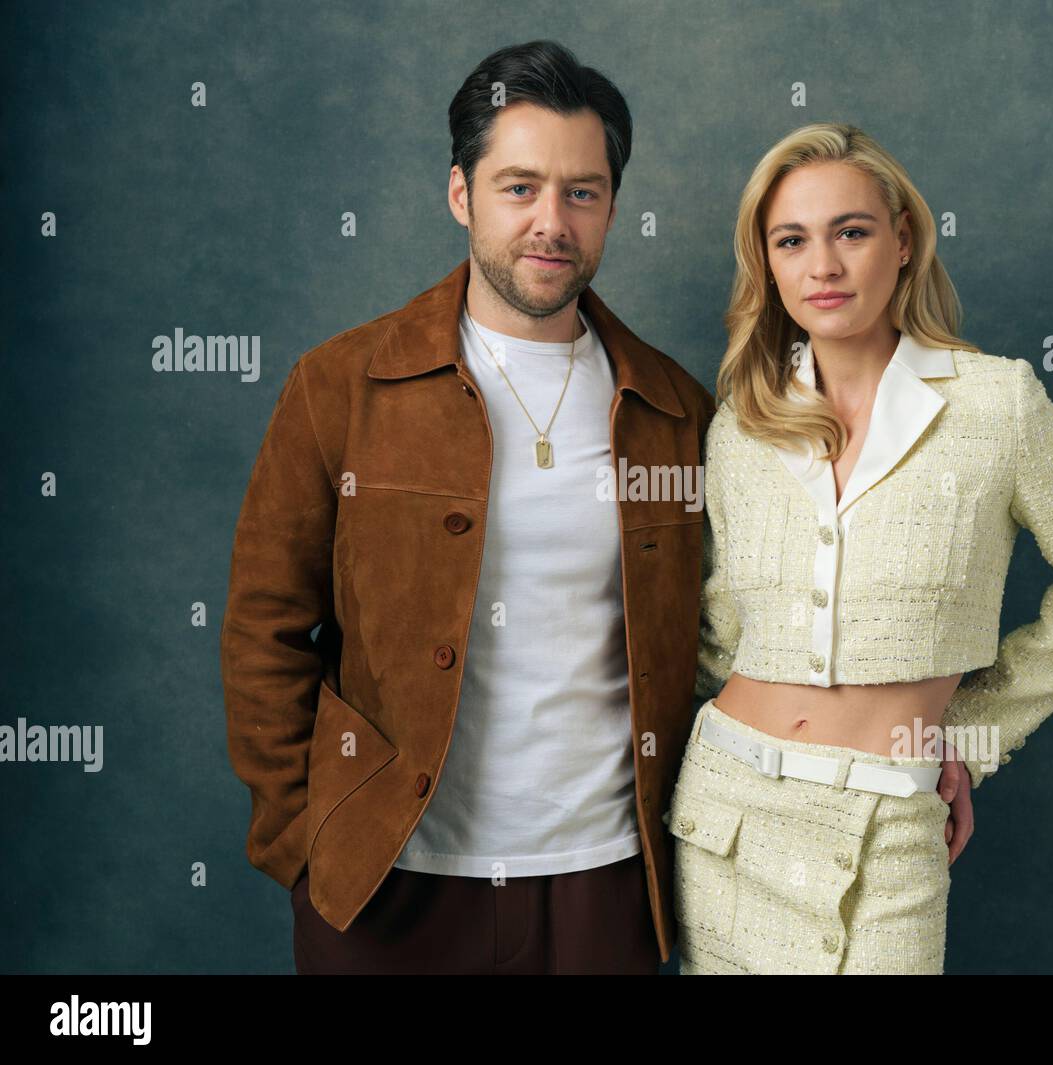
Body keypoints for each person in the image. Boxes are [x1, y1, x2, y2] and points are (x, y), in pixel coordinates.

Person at [220, 40, 714, 974]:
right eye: (519, 187)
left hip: (606, 884)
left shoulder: (676, 410)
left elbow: (736, 629)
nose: (551, 222)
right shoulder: (342, 386)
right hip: (390, 884)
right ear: (462, 195)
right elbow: (262, 629)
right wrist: (306, 838)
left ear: (611, 206)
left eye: (582, 191)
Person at [671, 123, 1053, 974]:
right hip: (724, 813)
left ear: (903, 241)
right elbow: (722, 630)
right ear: (769, 263)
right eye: (792, 240)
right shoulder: (741, 425)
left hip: (888, 825)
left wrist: (968, 736)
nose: (822, 265)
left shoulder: (996, 406)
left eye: (851, 232)